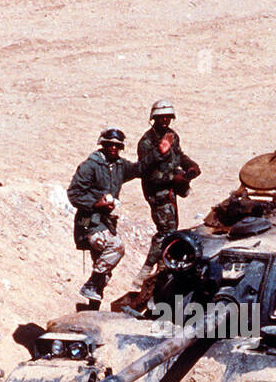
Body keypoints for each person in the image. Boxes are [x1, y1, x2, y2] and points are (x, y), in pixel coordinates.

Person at [67, 128, 141, 302]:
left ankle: (91, 308)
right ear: (103, 144)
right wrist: (95, 203)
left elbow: (139, 168)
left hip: (106, 222)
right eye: (110, 145)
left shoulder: (119, 166)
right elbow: (74, 194)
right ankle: (91, 285)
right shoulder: (90, 166)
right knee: (116, 247)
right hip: (87, 221)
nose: (114, 149)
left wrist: (159, 153)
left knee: (103, 270)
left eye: (118, 146)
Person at [134, 100, 200, 284]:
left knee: (172, 227)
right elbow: (147, 174)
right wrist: (173, 178)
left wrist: (191, 166)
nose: (165, 120)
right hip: (156, 192)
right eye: (161, 117)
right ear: (154, 118)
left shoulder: (172, 136)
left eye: (167, 117)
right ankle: (145, 271)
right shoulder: (146, 143)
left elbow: (178, 156)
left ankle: (163, 268)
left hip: (170, 190)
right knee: (166, 230)